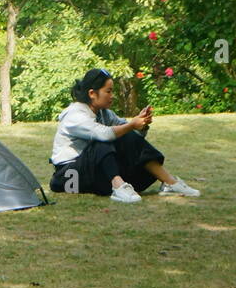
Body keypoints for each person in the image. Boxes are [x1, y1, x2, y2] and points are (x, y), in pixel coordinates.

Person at [49, 68, 201, 203]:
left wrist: (141, 124)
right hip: (69, 176)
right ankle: (118, 186)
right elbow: (104, 135)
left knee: (124, 136)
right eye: (108, 91)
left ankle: (170, 183)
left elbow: (129, 135)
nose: (112, 96)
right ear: (92, 93)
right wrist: (131, 125)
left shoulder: (104, 113)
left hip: (92, 170)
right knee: (102, 140)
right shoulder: (75, 115)